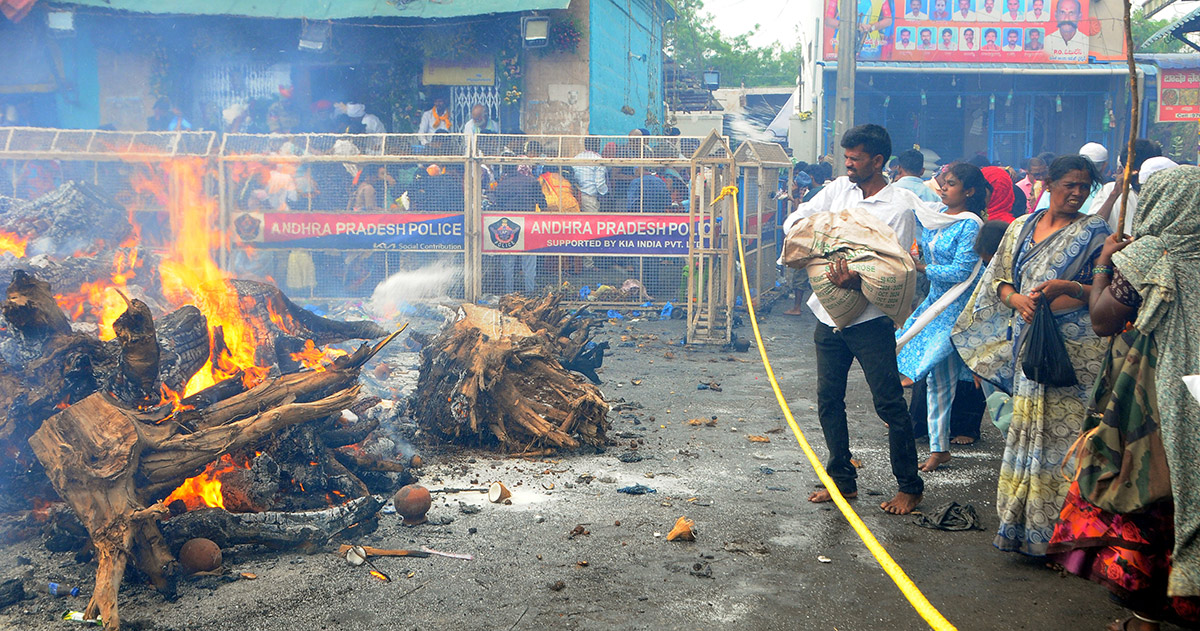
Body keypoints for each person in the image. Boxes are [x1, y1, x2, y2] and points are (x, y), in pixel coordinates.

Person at [1047, 165, 1200, 631]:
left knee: (1147, 496)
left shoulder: (1152, 254)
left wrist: (1104, 264)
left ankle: (1146, 618)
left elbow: (1102, 319)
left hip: (1157, 396)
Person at [952, 155, 1111, 555]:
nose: (1076, 193)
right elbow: (999, 281)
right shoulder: (1021, 228)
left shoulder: (1096, 232)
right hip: (1030, 347)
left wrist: (1070, 289)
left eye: (1084, 187)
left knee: (1066, 445)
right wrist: (1017, 298)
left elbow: (1106, 292)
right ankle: (1022, 528)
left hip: (1076, 354)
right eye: (1069, 185)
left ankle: (1066, 541)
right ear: (1047, 185)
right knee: (1027, 439)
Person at [781, 123, 925, 515]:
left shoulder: (899, 206)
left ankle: (910, 487)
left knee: (890, 403)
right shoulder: (837, 190)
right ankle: (842, 481)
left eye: (855, 158)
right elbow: (798, 221)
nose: (848, 164)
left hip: (871, 321)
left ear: (878, 161)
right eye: (846, 157)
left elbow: (888, 267)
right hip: (827, 315)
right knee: (829, 400)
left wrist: (854, 273)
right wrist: (820, 244)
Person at [896, 163, 987, 472]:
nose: (944, 188)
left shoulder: (969, 225)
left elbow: (962, 271)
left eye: (952, 184)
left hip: (958, 310)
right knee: (939, 379)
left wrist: (922, 268)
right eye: (944, 183)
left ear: (970, 192)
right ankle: (938, 447)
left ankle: (940, 447)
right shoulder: (938, 219)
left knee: (957, 378)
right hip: (936, 305)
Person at [1088, 138, 1164, 235]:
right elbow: (1093, 228)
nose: (1137, 181)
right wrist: (1114, 195)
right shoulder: (1109, 190)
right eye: (1134, 174)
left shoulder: (1165, 192)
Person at [494, 165, 547, 295]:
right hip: (529, 223)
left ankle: (509, 294)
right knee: (529, 261)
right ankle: (530, 293)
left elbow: (497, 205)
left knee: (508, 262)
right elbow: (543, 203)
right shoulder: (531, 181)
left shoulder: (502, 184)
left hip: (509, 227)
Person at [572, 137, 608, 212]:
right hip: (589, 197)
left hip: (575, 196)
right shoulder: (598, 159)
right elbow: (599, 182)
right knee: (592, 221)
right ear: (598, 145)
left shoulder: (577, 157)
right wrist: (605, 193)